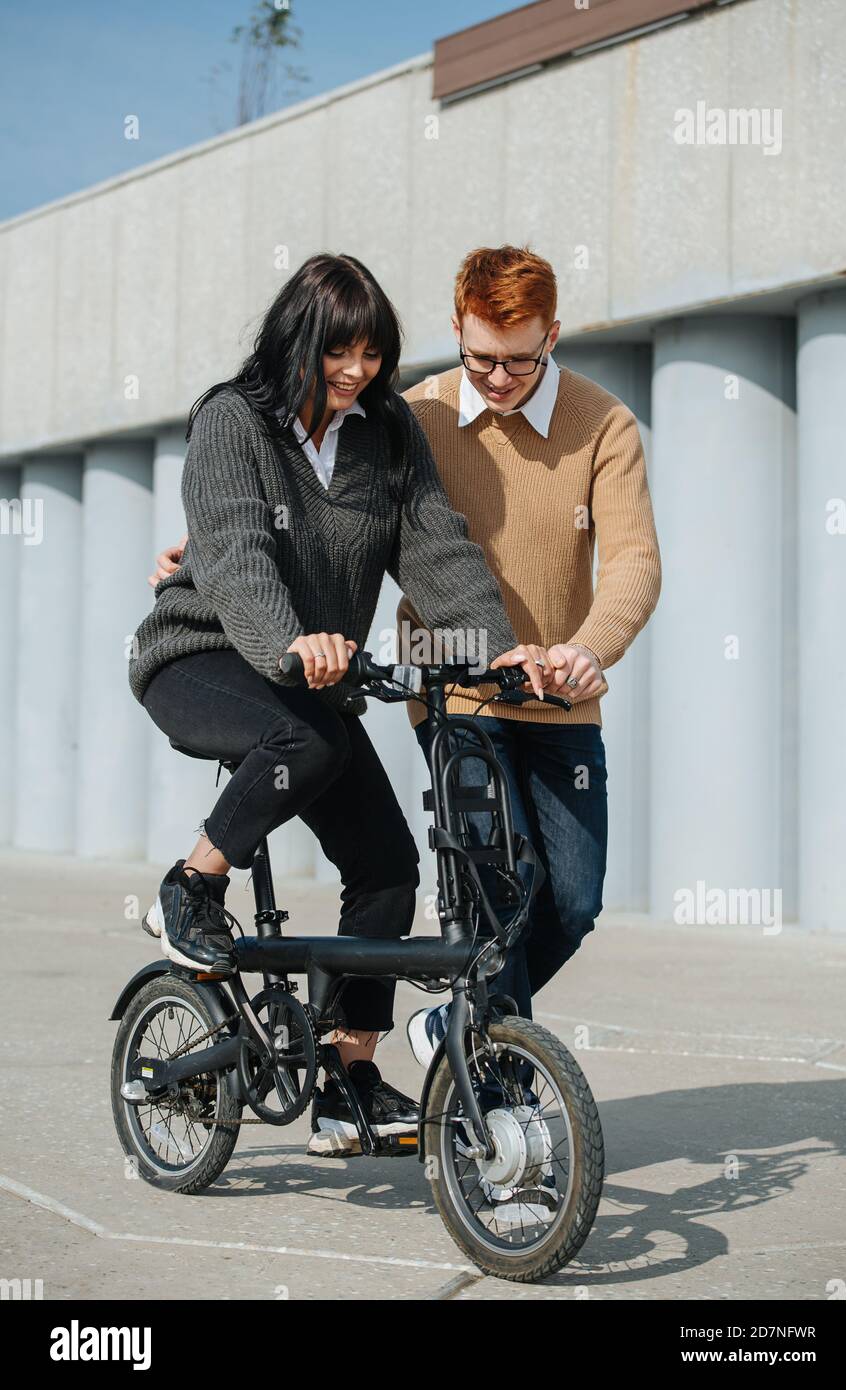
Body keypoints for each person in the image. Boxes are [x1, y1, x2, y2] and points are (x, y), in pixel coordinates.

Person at [128, 251, 549, 1154]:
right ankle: (191, 885)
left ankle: (347, 1075)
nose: (357, 373)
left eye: (373, 356)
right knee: (304, 739)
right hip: (202, 654)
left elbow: (437, 548)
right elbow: (237, 552)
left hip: (311, 686)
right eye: (339, 354)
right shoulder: (232, 421)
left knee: (390, 866)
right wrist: (289, 642)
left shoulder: (388, 432)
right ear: (299, 341)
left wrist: (498, 646)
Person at [397, 246, 662, 1065]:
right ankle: (501, 1108)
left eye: (520, 359)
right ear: (456, 331)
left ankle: (463, 1022)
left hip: (560, 700)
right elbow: (330, 513)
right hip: (456, 697)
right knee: (497, 890)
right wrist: (207, 547)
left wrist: (589, 650)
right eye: (481, 358)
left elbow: (634, 564)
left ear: (553, 334)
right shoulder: (417, 418)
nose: (499, 378)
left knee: (573, 901)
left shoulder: (603, 423)